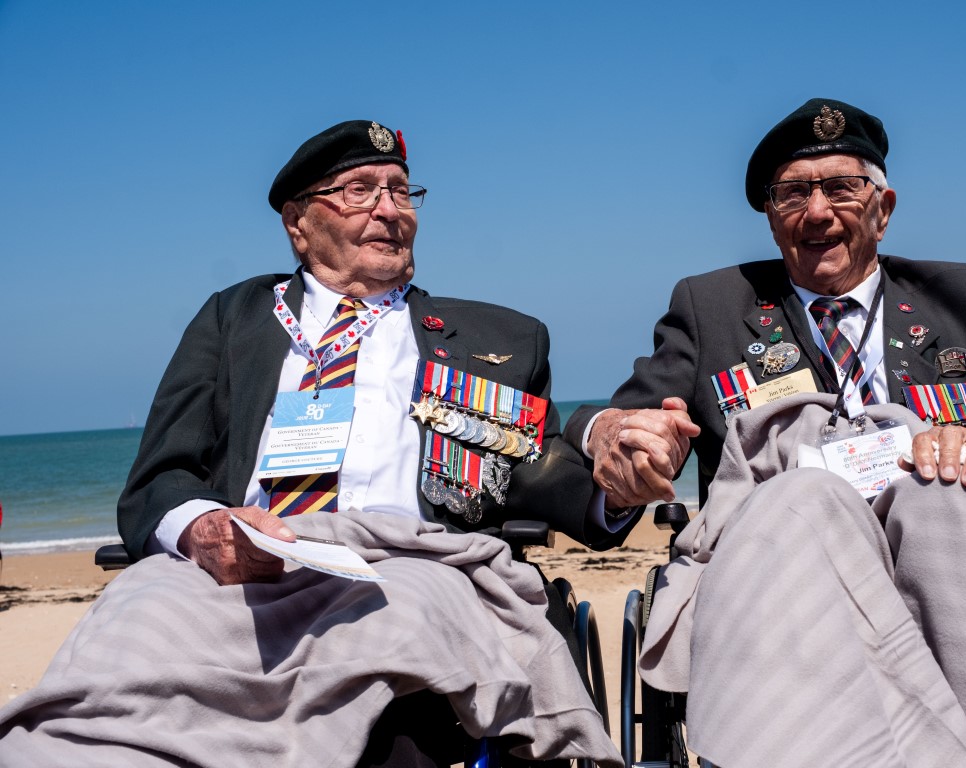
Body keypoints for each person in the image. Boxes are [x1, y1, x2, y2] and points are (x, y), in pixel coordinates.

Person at [0, 121, 625, 768]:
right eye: (359, 191)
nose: (389, 209)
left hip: (400, 564)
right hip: (244, 567)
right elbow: (160, 479)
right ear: (298, 223)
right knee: (121, 643)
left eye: (401, 192)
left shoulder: (496, 337)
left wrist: (616, 479)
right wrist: (204, 528)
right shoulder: (235, 318)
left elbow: (538, 466)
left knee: (396, 640)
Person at [565, 99, 966, 766]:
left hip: (957, 570)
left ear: (884, 206)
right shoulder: (712, 309)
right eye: (793, 194)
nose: (817, 212)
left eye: (841, 188)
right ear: (770, 215)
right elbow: (612, 419)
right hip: (792, 588)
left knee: (941, 503)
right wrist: (620, 434)